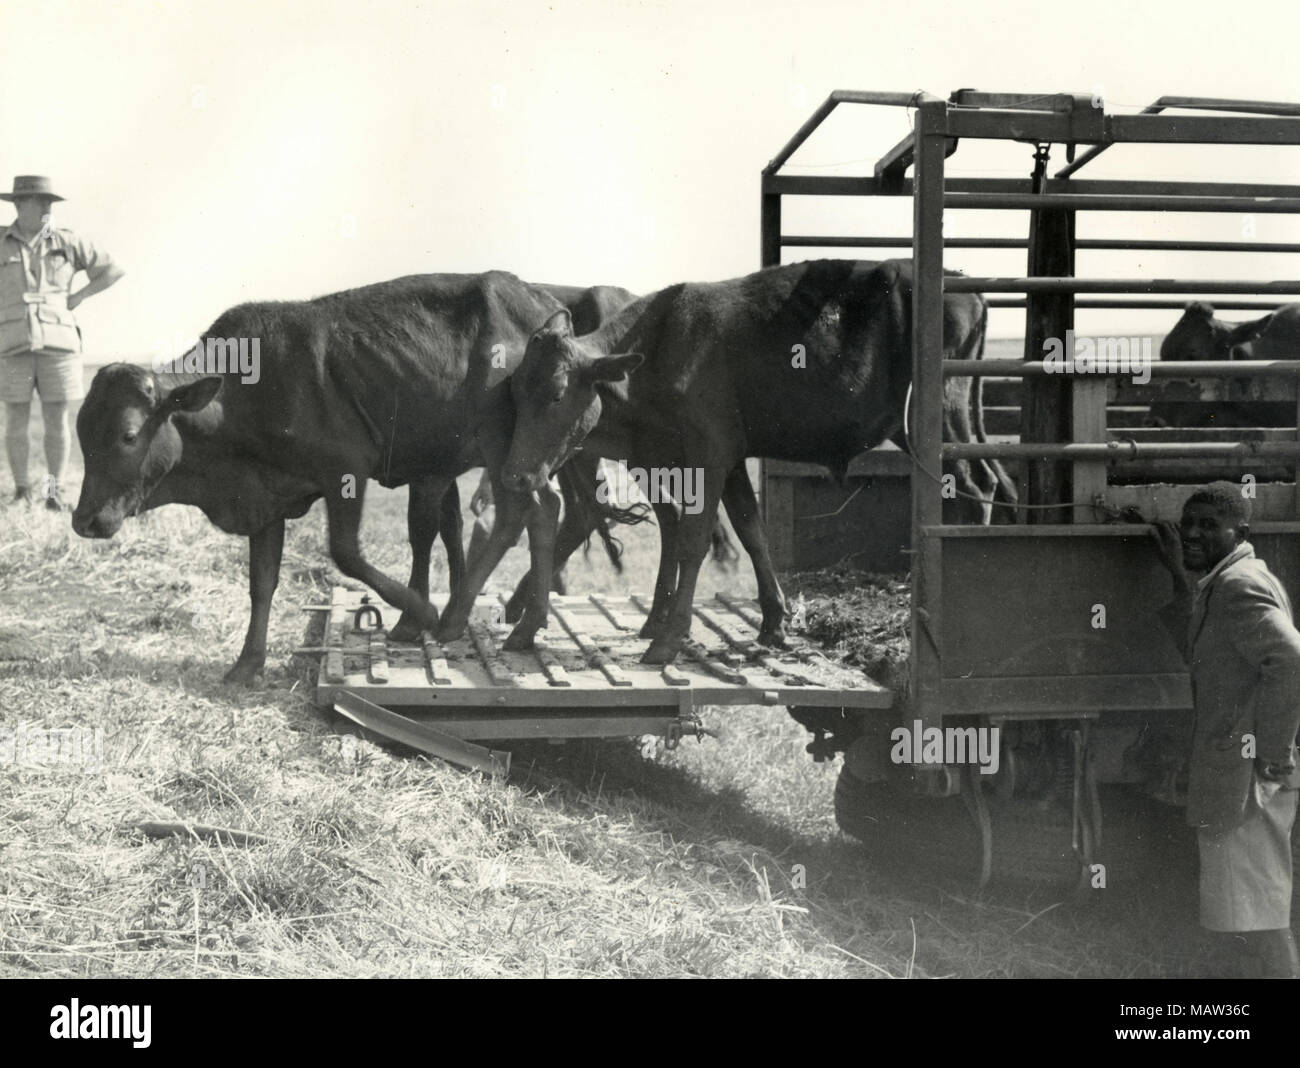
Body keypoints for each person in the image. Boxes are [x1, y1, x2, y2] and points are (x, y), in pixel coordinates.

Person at [1152, 481, 1300, 978]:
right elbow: (1210, 654)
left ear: (1241, 531)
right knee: (1249, 914)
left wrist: (1274, 755)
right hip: (1239, 775)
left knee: (1260, 920)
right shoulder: (1228, 579)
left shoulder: (1239, 586)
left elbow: (1292, 660)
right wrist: (1177, 572)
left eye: (1208, 526)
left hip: (1247, 780)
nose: (1192, 533)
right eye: (1188, 523)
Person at [1, 175, 124, 511]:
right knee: (16, 421)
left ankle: (53, 492)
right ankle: (22, 490)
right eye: (38, 202)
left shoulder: (67, 242)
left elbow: (113, 269)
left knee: (56, 422)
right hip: (12, 345)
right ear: (18, 205)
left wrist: (80, 295)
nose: (46, 208)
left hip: (59, 344)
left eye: (49, 203)